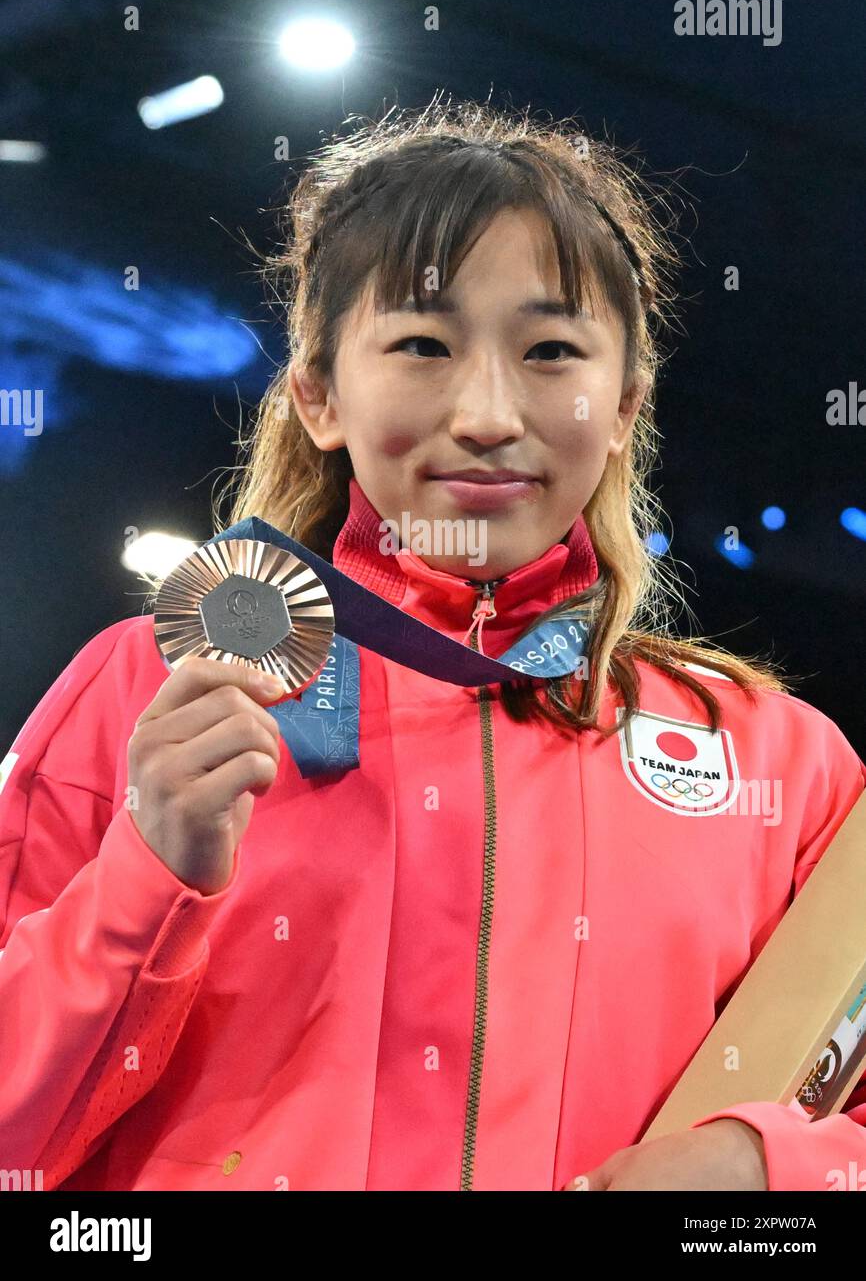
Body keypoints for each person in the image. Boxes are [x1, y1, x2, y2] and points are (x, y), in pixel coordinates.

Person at [2, 97, 864, 1192]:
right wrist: (147, 876)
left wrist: (767, 1167)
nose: (488, 412)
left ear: (622, 406)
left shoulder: (777, 769)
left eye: (552, 350)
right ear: (317, 393)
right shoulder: (144, 692)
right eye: (420, 343)